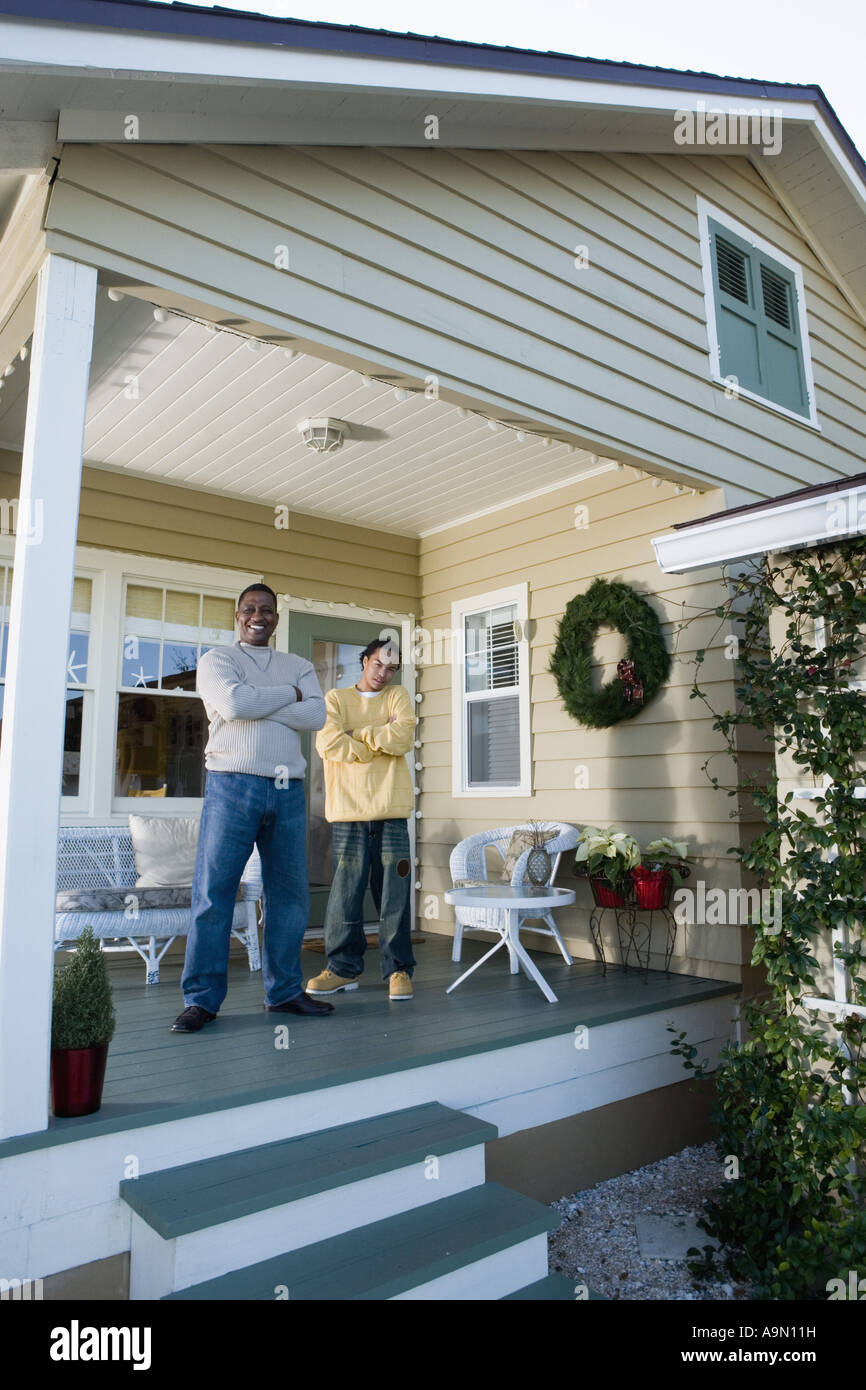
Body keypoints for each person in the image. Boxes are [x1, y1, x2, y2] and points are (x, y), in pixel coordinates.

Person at [171, 583, 330, 1032]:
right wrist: (290, 697)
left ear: (276, 618)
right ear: (237, 615)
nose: (257, 616)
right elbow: (234, 702)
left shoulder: (298, 664)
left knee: (290, 897)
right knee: (214, 894)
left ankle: (284, 994)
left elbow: (316, 717)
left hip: (287, 789)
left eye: (266, 610)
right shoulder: (217, 661)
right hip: (231, 785)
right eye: (249, 609)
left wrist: (259, 703)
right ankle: (201, 1000)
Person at [307, 637, 417, 1001]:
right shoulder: (335, 700)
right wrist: (378, 740)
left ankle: (398, 969)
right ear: (365, 660)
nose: (384, 673)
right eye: (378, 664)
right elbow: (329, 745)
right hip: (348, 814)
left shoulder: (398, 696)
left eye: (391, 668)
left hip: (392, 813)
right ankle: (342, 969)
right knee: (345, 893)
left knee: (395, 893)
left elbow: (402, 740)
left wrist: (359, 734)